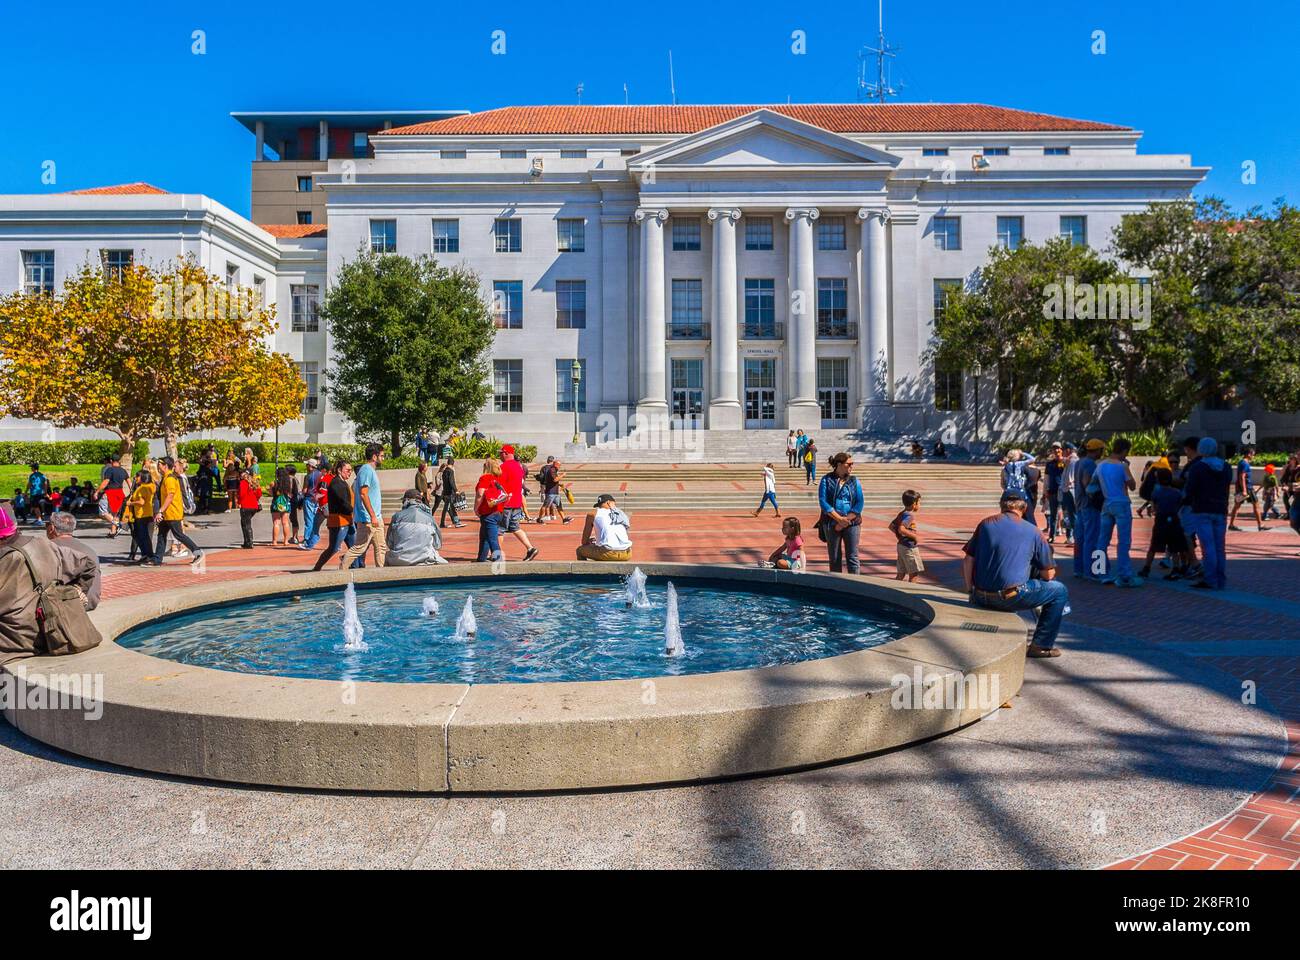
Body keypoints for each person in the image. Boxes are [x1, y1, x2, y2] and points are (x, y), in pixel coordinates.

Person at [963, 490, 1069, 659]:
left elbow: (968, 559)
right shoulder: (1033, 531)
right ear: (1025, 507)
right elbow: (1048, 575)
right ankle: (1041, 645)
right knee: (1059, 591)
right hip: (1009, 597)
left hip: (980, 595)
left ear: (1001, 505)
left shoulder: (985, 524)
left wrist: (970, 591)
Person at [0, 505, 99, 665]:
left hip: (13, 645)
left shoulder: (5, 560)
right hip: (50, 633)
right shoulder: (42, 543)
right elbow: (87, 563)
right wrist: (77, 590)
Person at [1181, 437, 1233, 590]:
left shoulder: (1198, 467)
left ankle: (1210, 579)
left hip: (1202, 509)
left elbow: (1190, 489)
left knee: (1207, 546)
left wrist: (1185, 500)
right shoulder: (1226, 467)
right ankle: (1220, 579)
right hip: (1220, 508)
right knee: (1219, 547)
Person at [1093, 437, 1141, 587]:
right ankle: (1124, 574)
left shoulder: (1100, 466)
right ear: (1125, 451)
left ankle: (1100, 572)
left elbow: (1092, 483)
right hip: (1121, 503)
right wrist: (1127, 467)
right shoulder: (1122, 466)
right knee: (1124, 541)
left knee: (1102, 540)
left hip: (1106, 503)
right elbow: (1132, 486)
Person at [339, 442, 387, 570]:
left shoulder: (369, 470)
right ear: (374, 457)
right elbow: (363, 494)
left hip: (376, 517)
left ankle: (381, 576)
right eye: (382, 455)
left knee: (381, 547)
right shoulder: (366, 470)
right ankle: (342, 569)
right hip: (369, 518)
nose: (383, 458)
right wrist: (372, 516)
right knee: (359, 547)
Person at [1138, 467, 1191, 581]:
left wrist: (1153, 509)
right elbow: (1180, 503)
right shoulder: (1176, 492)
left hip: (1161, 520)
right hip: (1174, 519)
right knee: (1174, 547)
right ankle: (1176, 568)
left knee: (1153, 546)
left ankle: (1146, 568)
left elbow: (1154, 507)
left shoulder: (1156, 492)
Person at [151, 457, 203, 566]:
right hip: (167, 514)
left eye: (159, 464)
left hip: (172, 513)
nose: (158, 466)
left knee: (179, 535)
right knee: (161, 535)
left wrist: (160, 511)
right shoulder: (166, 477)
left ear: (165, 466)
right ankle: (157, 560)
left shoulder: (169, 478)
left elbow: (170, 496)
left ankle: (197, 552)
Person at [45, 512, 101, 610]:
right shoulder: (89, 550)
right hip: (91, 601)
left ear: (52, 528)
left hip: (68, 605)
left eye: (47, 524)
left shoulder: (48, 548)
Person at [818, 452, 863, 574]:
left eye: (852, 464)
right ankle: (837, 584)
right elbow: (823, 501)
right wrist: (838, 519)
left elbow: (859, 503)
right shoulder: (826, 480)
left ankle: (856, 584)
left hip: (852, 523)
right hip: (832, 523)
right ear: (839, 464)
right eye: (849, 464)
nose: (851, 466)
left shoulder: (854, 481)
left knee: (853, 557)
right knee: (834, 557)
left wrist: (846, 520)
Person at [311, 460, 356, 571]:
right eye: (348, 470)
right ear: (340, 470)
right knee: (333, 548)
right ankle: (317, 567)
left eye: (351, 470)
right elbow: (343, 502)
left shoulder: (343, 482)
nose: (350, 473)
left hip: (347, 520)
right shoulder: (336, 483)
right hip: (339, 521)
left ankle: (356, 566)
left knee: (354, 548)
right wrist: (354, 512)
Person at [385, 489, 449, 566]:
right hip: (425, 558)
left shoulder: (396, 517)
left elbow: (389, 543)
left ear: (406, 501)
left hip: (399, 559)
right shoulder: (430, 518)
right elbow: (437, 545)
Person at [497, 445, 539, 561]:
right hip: (517, 502)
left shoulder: (503, 467)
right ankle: (530, 548)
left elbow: (499, 485)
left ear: (505, 453)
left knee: (499, 530)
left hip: (506, 503)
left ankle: (497, 554)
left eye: (501, 453)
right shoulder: (518, 466)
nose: (499, 455)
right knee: (515, 528)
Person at [1071, 439, 1104, 578]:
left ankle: (1079, 569)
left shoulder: (1079, 462)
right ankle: (1092, 570)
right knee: (1092, 538)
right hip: (1089, 505)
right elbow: (1086, 483)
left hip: (1079, 504)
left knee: (1080, 538)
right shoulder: (1090, 463)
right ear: (1097, 450)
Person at [576, 494, 633, 561]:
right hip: (627, 553)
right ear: (609, 503)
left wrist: (588, 541)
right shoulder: (620, 514)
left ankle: (585, 570)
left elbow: (584, 542)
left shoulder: (592, 513)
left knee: (580, 550)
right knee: (599, 548)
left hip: (608, 553)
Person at [474, 458, 510, 563]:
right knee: (485, 536)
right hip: (498, 511)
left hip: (488, 511)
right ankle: (481, 559)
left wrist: (476, 508)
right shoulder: (497, 479)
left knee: (492, 540)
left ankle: (499, 565)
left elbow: (480, 494)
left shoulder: (485, 478)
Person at [1228, 446, 1266, 532]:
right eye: (1253, 454)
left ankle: (1231, 524)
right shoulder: (1245, 463)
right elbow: (1242, 476)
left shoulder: (1242, 462)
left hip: (1242, 488)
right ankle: (1260, 525)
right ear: (1249, 454)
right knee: (1256, 505)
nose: (1253, 456)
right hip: (1247, 488)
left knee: (1237, 506)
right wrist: (1244, 490)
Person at [889, 489, 924, 582]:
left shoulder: (901, 514)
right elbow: (901, 529)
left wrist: (900, 537)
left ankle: (891, 593)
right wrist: (914, 536)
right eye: (919, 502)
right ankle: (910, 594)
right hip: (909, 547)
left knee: (901, 574)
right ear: (914, 504)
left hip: (901, 545)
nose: (920, 505)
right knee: (914, 573)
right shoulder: (910, 516)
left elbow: (891, 526)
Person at [125, 468, 156, 563]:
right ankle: (146, 555)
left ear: (142, 477)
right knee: (144, 537)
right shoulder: (151, 486)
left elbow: (142, 502)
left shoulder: (143, 488)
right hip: (148, 514)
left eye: (137, 476)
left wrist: (130, 503)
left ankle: (148, 555)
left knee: (142, 537)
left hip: (142, 515)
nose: (135, 478)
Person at [300, 458, 324, 550]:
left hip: (309, 498)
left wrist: (300, 494)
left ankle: (307, 539)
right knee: (315, 520)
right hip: (318, 499)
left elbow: (305, 490)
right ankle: (314, 537)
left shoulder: (308, 476)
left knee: (309, 520)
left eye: (307, 465)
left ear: (310, 466)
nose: (306, 466)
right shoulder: (321, 475)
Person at [236, 467, 262, 549]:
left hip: (246, 505)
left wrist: (239, 502)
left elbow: (241, 494)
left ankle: (249, 542)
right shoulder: (254, 482)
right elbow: (259, 493)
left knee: (246, 524)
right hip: (254, 506)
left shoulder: (243, 482)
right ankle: (247, 541)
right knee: (246, 523)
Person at [434, 457, 463, 528]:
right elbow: (451, 482)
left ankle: (447, 522)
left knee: (448, 508)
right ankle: (455, 522)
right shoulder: (450, 471)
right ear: (453, 463)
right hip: (450, 492)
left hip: (445, 492)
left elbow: (446, 482)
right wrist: (456, 490)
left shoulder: (444, 471)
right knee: (450, 507)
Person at [270, 466, 292, 547]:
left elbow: (271, 494)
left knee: (276, 523)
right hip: (285, 504)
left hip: (276, 504)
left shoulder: (274, 483)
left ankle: (274, 541)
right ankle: (286, 541)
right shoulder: (287, 483)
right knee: (285, 523)